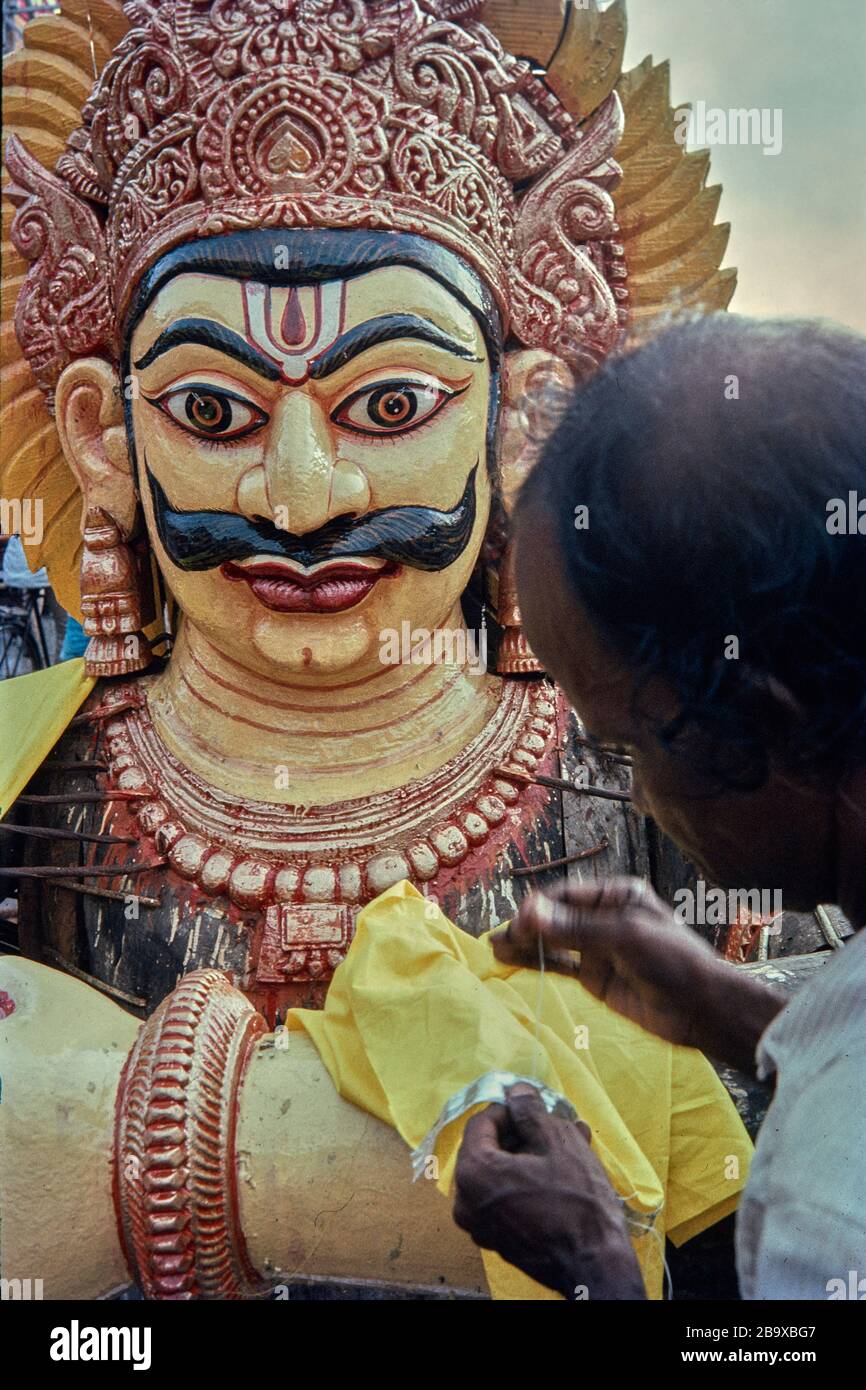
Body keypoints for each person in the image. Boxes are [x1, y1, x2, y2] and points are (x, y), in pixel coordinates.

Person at [453, 315, 866, 1300]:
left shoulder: (823, 1209)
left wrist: (595, 1264)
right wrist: (740, 1017)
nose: (635, 795)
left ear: (775, 722)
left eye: (630, 747)